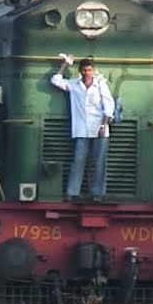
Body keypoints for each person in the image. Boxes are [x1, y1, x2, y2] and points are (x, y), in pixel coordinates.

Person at [50, 55, 115, 202]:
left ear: (93, 71)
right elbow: (55, 80)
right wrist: (65, 64)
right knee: (78, 160)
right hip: (81, 129)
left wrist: (103, 125)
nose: (87, 72)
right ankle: (72, 192)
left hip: (100, 128)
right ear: (80, 71)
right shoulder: (74, 84)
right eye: (84, 70)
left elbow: (109, 105)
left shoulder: (100, 84)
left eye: (89, 70)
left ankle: (97, 194)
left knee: (99, 162)